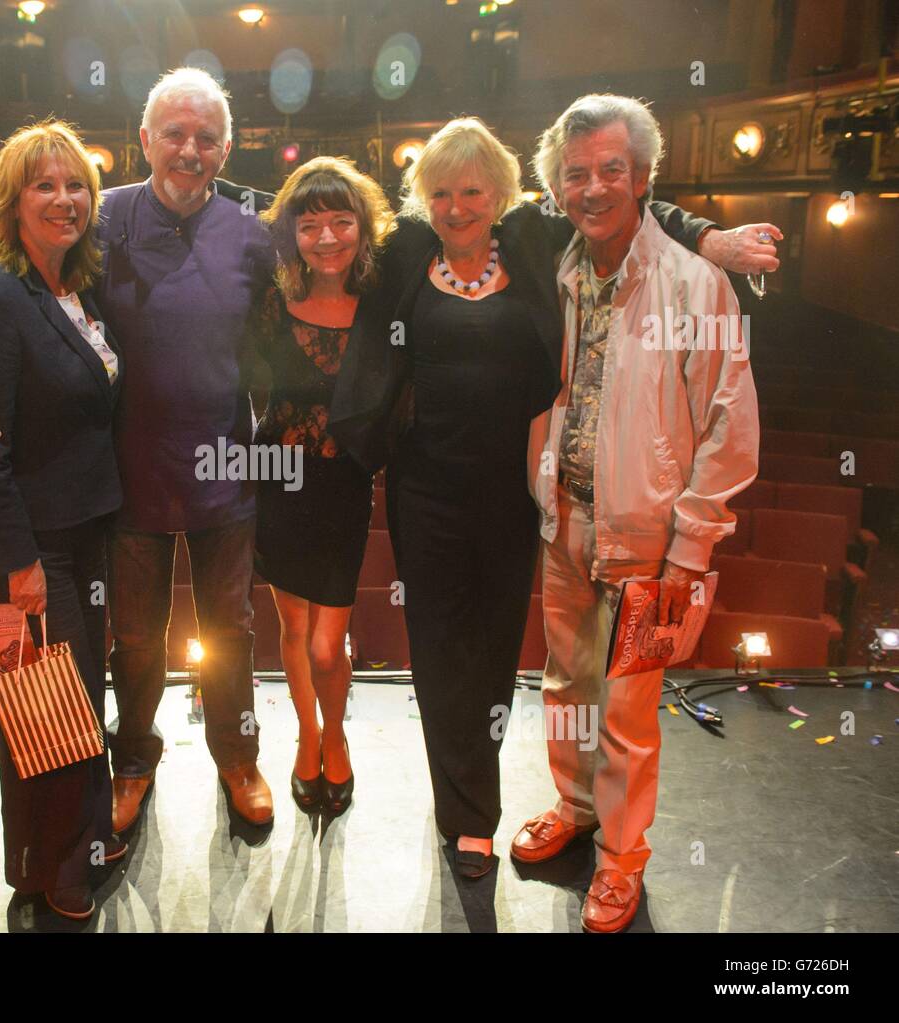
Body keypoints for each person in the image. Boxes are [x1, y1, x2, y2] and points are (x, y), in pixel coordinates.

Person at [329, 115, 772, 882]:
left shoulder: (623, 265)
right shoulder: (504, 255)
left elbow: (729, 416)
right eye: (442, 192)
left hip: (601, 515)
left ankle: (621, 857)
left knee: (614, 702)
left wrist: (708, 240)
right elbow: (318, 222)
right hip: (518, 505)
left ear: (503, 195)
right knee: (549, 678)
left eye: (474, 191)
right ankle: (544, 809)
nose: (458, 207)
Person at [511, 94, 759, 932]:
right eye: (575, 174)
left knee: (629, 708)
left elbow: (730, 423)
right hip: (564, 526)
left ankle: (622, 857)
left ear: (644, 176)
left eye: (611, 170)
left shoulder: (697, 282)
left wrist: (692, 549)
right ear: (557, 185)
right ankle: (575, 807)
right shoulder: (553, 270)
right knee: (566, 684)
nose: (593, 188)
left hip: (654, 543)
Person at [0, 119, 126, 922]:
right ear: (11, 201)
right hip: (31, 546)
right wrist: (16, 561)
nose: (64, 198)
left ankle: (85, 836)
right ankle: (51, 871)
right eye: (44, 185)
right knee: (46, 710)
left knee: (80, 696)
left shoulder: (70, 287)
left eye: (76, 183)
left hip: (85, 533)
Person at [94, 67, 278, 833]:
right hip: (125, 471)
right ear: (144, 139)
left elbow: (279, 336)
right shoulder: (97, 219)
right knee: (135, 635)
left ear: (227, 147)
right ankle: (133, 757)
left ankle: (236, 756)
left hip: (225, 468)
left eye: (207, 137)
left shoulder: (255, 229)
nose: (190, 148)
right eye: (174, 132)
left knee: (230, 628)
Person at [250, 156, 395, 815]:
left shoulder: (381, 301)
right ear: (292, 233)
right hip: (277, 480)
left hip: (343, 486)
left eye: (343, 222)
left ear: (364, 228)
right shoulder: (271, 300)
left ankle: (333, 733)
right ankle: (311, 737)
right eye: (311, 225)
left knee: (324, 641)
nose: (329, 237)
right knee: (293, 627)